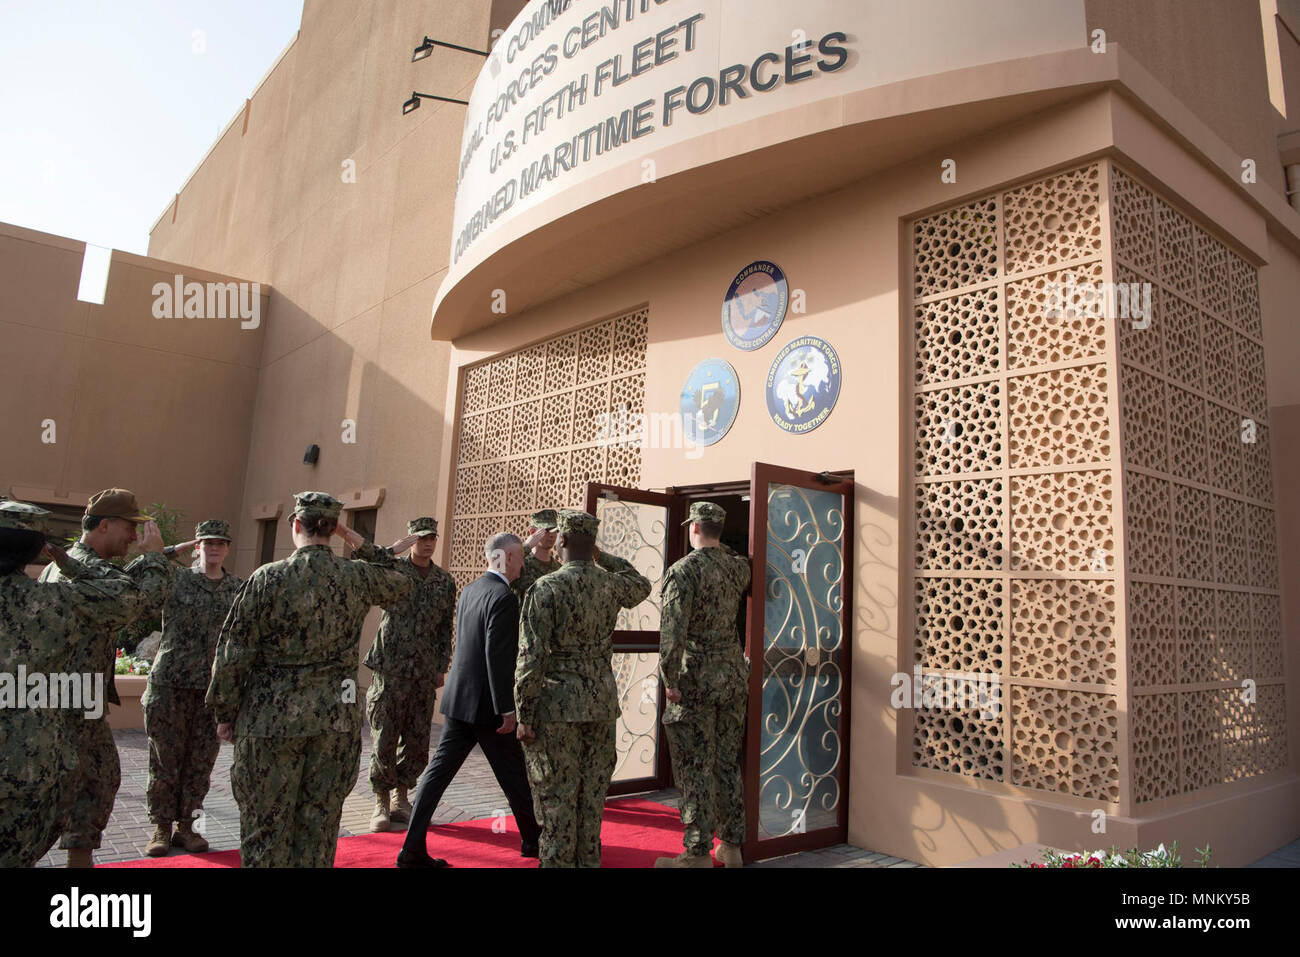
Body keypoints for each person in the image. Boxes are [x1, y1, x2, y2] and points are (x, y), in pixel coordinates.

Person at [206, 492, 412, 868]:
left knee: (265, 830)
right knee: (319, 829)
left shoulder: (268, 578)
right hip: (334, 723)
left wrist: (225, 711)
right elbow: (404, 581)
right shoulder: (357, 575)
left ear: (295, 525)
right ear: (334, 530)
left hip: (270, 723)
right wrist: (359, 543)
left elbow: (234, 651)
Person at [0, 501, 151, 867]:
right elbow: (126, 597)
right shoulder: (54, 602)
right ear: (37, 547)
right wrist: (66, 561)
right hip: (26, 758)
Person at [37, 487, 172, 868]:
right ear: (105, 524)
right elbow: (142, 601)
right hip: (69, 704)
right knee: (67, 794)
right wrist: (155, 559)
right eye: (130, 527)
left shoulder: (74, 564)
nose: (133, 536)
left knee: (94, 785)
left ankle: (80, 864)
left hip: (74, 701)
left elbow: (121, 583)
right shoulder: (84, 569)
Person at [514, 509, 650, 868]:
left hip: (556, 707)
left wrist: (524, 715)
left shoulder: (545, 587)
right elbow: (641, 583)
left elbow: (530, 657)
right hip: (600, 704)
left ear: (561, 542)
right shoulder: (610, 583)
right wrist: (601, 556)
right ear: (591, 546)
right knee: (591, 797)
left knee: (557, 798)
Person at [396, 532, 541, 868]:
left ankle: (412, 848)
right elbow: (497, 657)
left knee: (439, 774)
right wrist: (507, 708)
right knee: (513, 773)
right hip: (487, 707)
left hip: (459, 701)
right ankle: (532, 838)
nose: (523, 562)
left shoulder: (472, 590)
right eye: (520, 556)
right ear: (505, 558)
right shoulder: (504, 598)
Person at [653, 501, 751, 868]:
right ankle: (732, 846)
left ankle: (696, 853)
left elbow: (672, 634)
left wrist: (670, 679)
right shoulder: (738, 568)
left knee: (695, 765)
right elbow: (736, 560)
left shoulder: (683, 572)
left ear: (694, 527)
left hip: (695, 681)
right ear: (719, 530)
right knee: (726, 763)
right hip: (731, 678)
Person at [141, 519, 242, 857]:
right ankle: (160, 827)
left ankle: (191, 828)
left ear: (227, 549)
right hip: (170, 683)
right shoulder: (176, 577)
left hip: (211, 691)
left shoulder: (237, 588)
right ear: (196, 546)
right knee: (164, 762)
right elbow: (136, 572)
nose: (213, 548)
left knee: (201, 764)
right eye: (206, 542)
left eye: (220, 543)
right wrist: (169, 551)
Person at [364, 516, 456, 832]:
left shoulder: (444, 581)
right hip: (390, 668)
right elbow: (365, 564)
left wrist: (441, 666)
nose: (427, 543)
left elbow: (445, 628)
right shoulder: (394, 570)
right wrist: (392, 550)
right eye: (420, 538)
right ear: (410, 539)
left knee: (417, 740)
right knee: (384, 737)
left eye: (432, 538)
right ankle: (380, 801)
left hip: (423, 672)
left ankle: (402, 798)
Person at [511, 509, 561, 605]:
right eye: (547, 530)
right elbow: (500, 570)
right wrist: (526, 546)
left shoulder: (558, 568)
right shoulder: (520, 563)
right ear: (533, 532)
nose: (552, 535)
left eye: (555, 530)